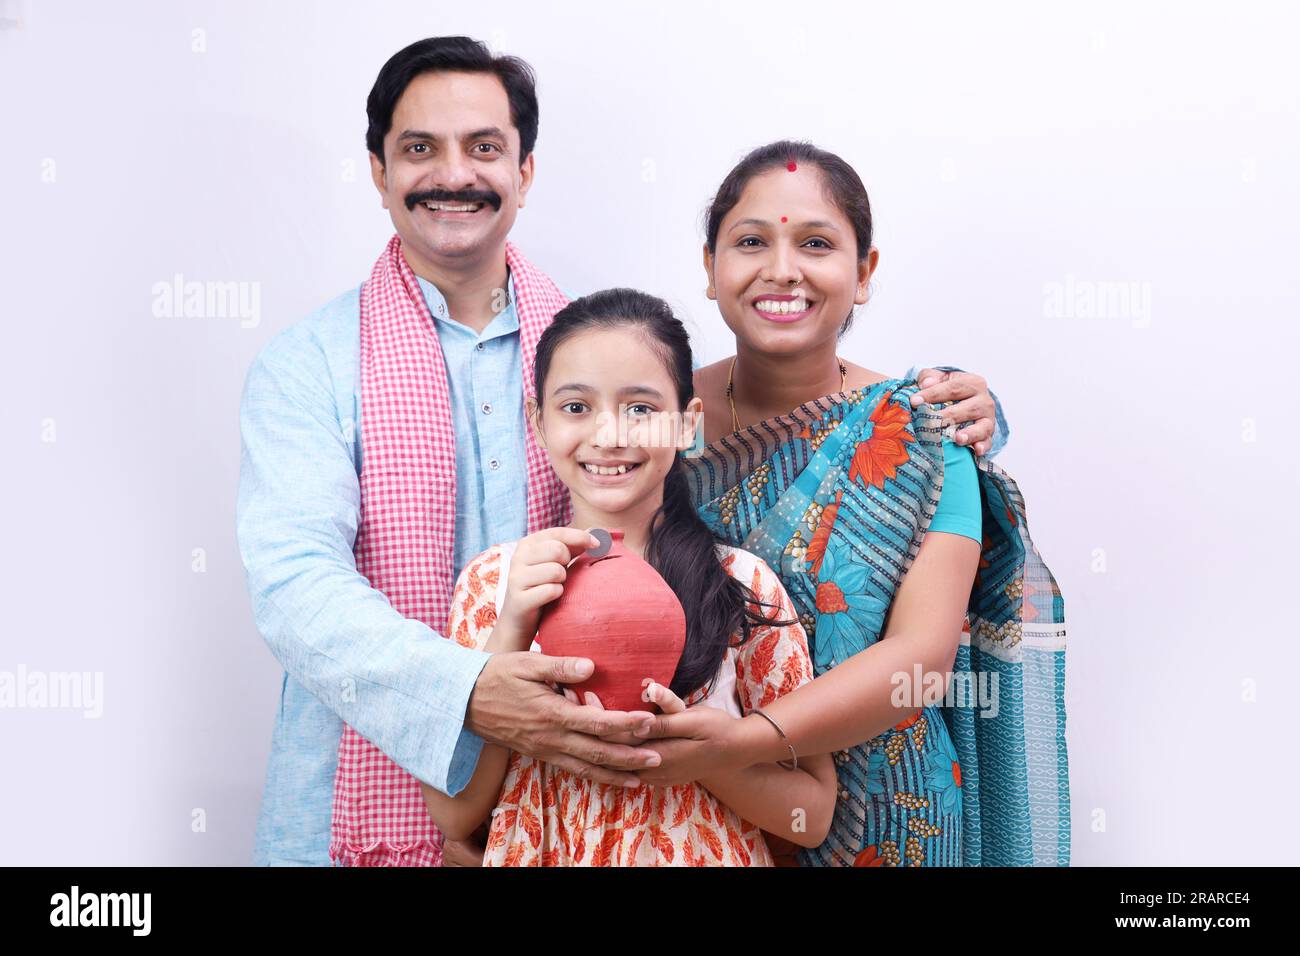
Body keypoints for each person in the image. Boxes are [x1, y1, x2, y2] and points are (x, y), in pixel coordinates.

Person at [237, 34, 1010, 867]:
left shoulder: (600, 354)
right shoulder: (313, 366)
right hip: (408, 809)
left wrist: (966, 420)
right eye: (419, 147)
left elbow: (852, 460)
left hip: (843, 812)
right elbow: (295, 588)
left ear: (524, 172)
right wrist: (476, 689)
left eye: (485, 147)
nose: (609, 431)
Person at [632, 141, 1070, 867]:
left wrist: (743, 741)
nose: (781, 269)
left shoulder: (926, 430)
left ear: (863, 273)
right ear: (710, 268)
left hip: (890, 820)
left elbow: (921, 660)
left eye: (815, 243)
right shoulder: (650, 419)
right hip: (692, 818)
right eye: (750, 242)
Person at [421, 289, 837, 865]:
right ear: (537, 422)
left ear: (687, 423)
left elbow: (811, 817)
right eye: (575, 407)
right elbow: (454, 814)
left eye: (640, 408)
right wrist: (514, 627)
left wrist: (702, 757)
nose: (610, 434)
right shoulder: (495, 584)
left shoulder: (742, 583)